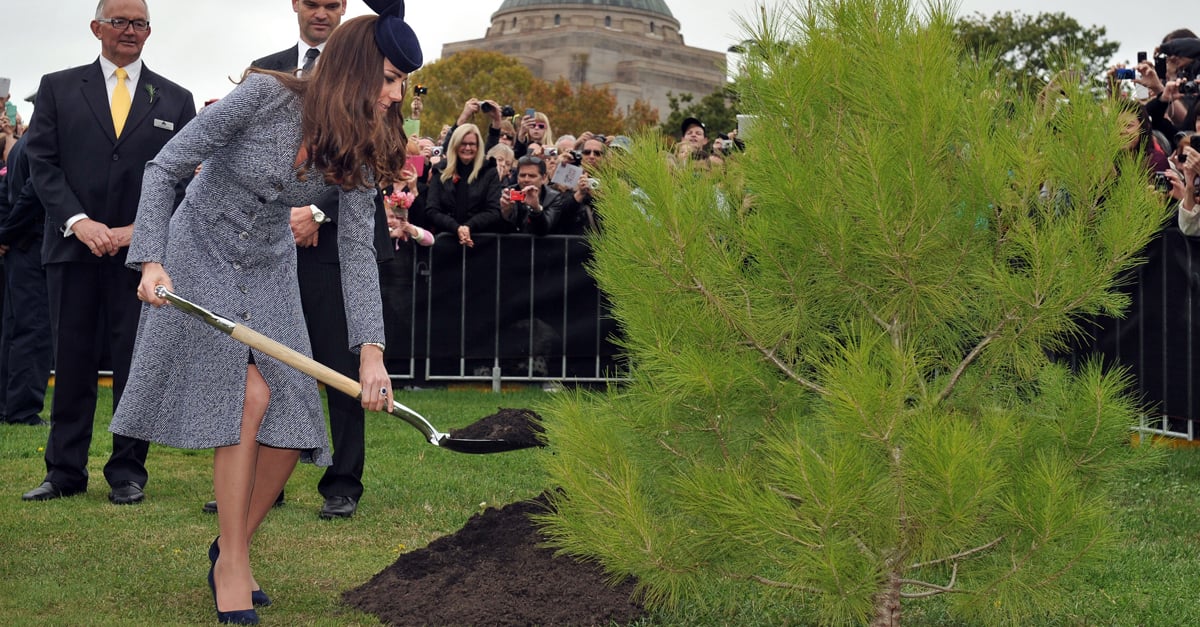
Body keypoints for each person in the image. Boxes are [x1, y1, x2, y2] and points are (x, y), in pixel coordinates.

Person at [108, 1, 420, 622]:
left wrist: (372, 354)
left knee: (295, 410)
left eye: (401, 83)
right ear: (357, 68)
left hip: (270, 263)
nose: (394, 94)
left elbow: (358, 251)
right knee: (248, 397)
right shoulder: (263, 96)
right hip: (200, 245)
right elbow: (164, 166)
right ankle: (233, 568)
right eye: (387, 79)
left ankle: (232, 545)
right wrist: (150, 259)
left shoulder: (357, 146)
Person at [196, 0, 393, 522]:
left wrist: (313, 213)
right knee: (255, 378)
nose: (322, 12)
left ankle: (342, 481)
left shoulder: (379, 80)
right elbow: (214, 160)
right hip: (252, 252)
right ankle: (249, 495)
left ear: (344, 10)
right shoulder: (269, 74)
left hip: (325, 251)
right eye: (314, 2)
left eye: (333, 4)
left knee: (328, 368)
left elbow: (360, 188)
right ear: (296, 6)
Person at [21, 0, 195, 505]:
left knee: (134, 364)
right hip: (71, 251)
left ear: (149, 32)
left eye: (139, 22)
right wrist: (80, 223)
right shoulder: (56, 87)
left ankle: (127, 472)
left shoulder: (176, 99)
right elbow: (42, 165)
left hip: (140, 258)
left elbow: (183, 182)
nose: (129, 30)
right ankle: (63, 472)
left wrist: (133, 233)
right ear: (96, 27)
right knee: (71, 362)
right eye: (118, 21)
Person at [0, 131, 52, 427]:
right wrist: (6, 233)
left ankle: (8, 405)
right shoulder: (44, 142)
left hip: (19, 249)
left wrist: (4, 234)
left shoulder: (21, 144)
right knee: (33, 330)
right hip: (32, 245)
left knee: (14, 330)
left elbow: (7, 189)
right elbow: (33, 192)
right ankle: (22, 410)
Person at [424, 123, 504, 247]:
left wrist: (469, 226)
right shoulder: (440, 170)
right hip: (445, 241)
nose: (467, 148)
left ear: (478, 146)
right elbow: (432, 209)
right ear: (455, 145)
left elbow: (493, 210)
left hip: (481, 243)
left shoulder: (489, 171)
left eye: (472, 144)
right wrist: (456, 228)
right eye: (463, 143)